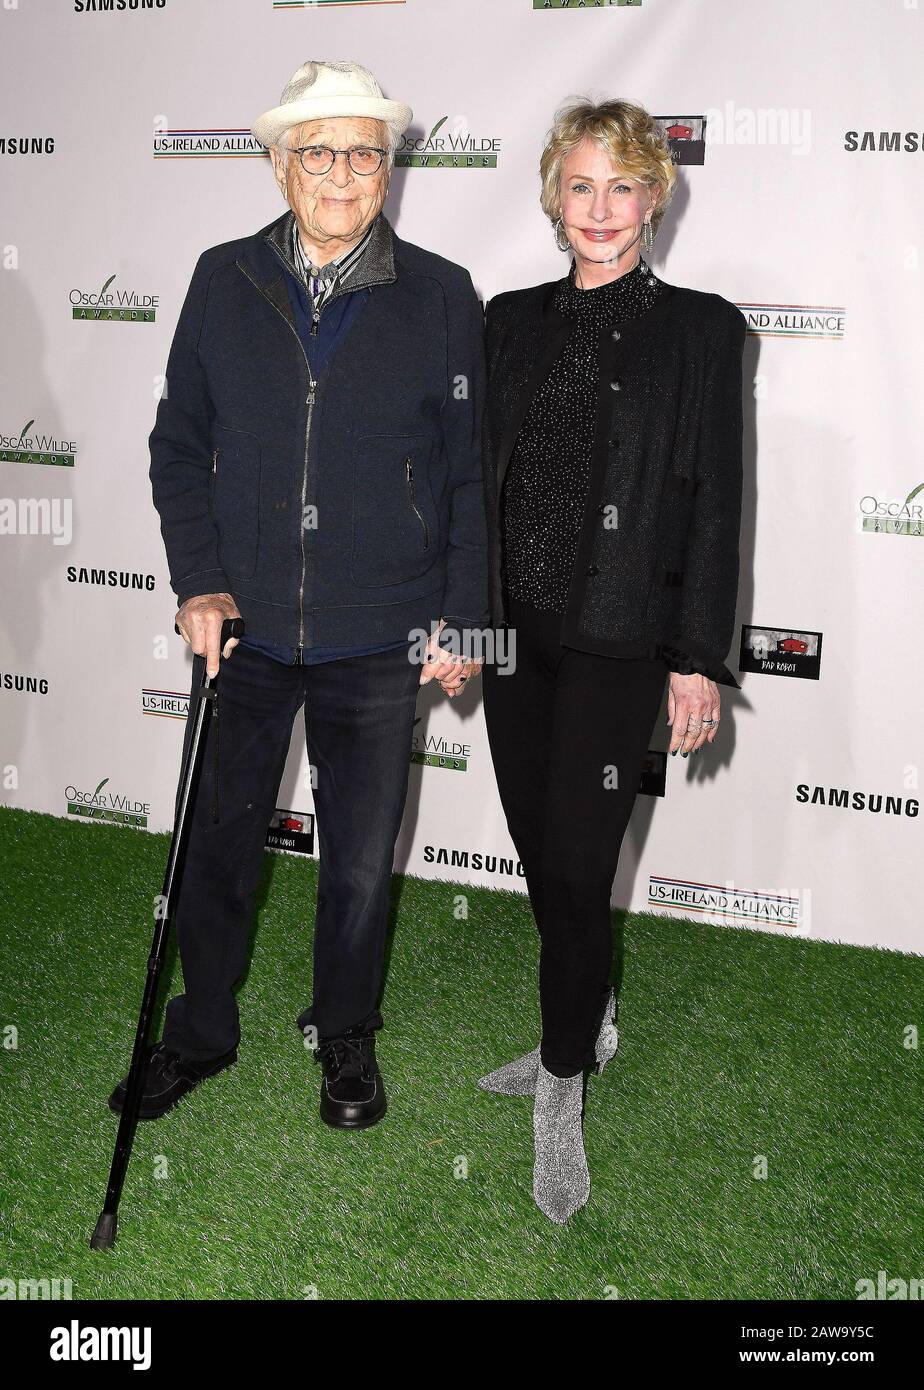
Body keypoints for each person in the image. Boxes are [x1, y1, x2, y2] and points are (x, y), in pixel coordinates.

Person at [108, 59, 486, 1131]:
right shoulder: (221, 278)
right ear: (280, 167)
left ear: (388, 170)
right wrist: (200, 581)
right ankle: (200, 1031)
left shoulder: (443, 294)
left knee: (360, 860)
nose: (341, 173)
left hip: (383, 627)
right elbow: (179, 446)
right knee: (219, 839)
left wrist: (463, 611)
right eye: (317, 150)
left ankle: (345, 1032)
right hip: (248, 628)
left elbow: (466, 470)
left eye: (363, 152)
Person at [477, 97, 747, 1221]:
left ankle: (559, 1089)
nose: (600, 209)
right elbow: (471, 487)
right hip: (510, 634)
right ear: (554, 195)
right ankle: (586, 1019)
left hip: (619, 639)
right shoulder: (506, 320)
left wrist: (695, 657)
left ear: (653, 198)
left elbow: (716, 503)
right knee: (545, 861)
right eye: (580, 186)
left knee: (581, 872)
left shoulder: (702, 328)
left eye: (622, 186)